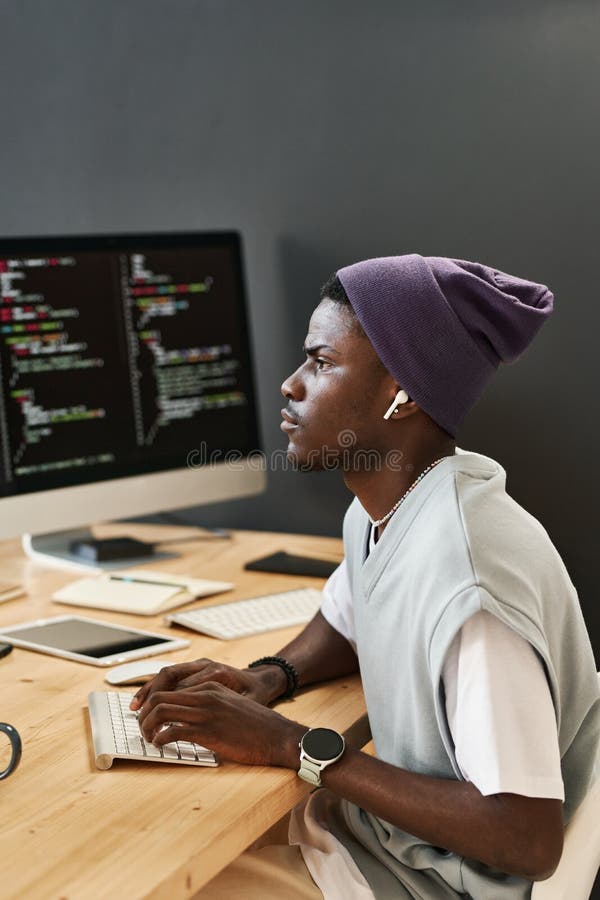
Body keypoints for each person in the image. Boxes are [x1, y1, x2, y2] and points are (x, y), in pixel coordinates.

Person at [131, 254, 600, 900]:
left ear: (403, 393)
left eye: (321, 363)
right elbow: (349, 618)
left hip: (435, 883)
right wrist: (265, 678)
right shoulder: (388, 508)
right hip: (386, 844)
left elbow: (526, 837)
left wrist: (290, 744)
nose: (290, 385)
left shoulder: (470, 583)